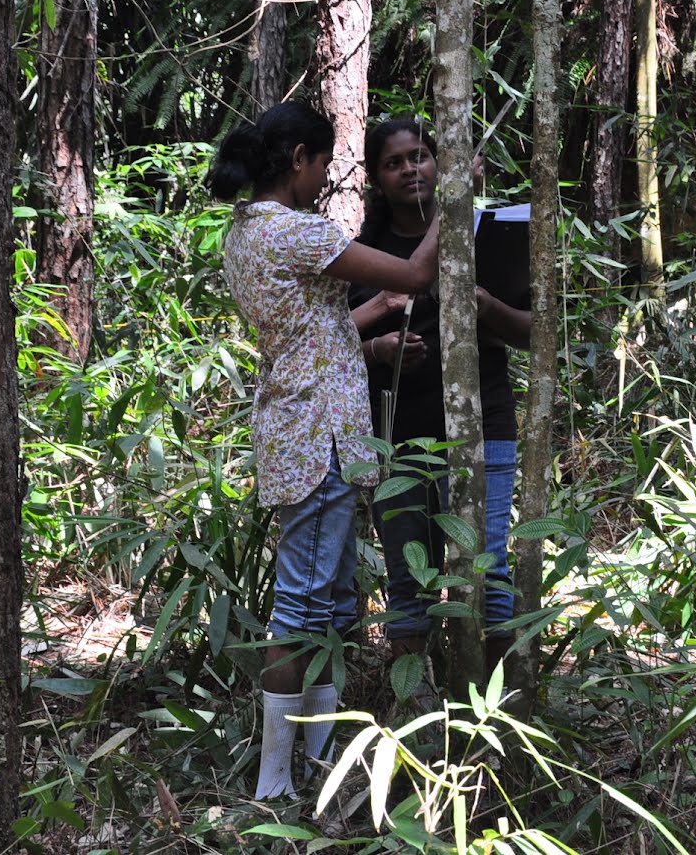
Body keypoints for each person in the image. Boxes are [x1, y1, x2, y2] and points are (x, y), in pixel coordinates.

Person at [206, 101, 440, 800]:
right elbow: (417, 274)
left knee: (334, 599)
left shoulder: (246, 232)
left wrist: (376, 317)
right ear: (300, 159)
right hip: (319, 439)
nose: (323, 178)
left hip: (300, 426)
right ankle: (274, 782)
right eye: (321, 164)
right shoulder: (298, 232)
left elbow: (320, 322)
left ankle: (318, 760)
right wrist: (454, 201)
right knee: (304, 607)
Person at [346, 117, 531, 682]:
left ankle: (500, 710)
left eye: (420, 156)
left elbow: (531, 331)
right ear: (377, 178)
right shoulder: (363, 251)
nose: (410, 170)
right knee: (408, 574)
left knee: (489, 564)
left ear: (440, 164)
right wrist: (380, 347)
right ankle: (415, 711)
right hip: (395, 431)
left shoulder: (493, 232)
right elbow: (330, 339)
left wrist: (485, 306)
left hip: (483, 423)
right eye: (394, 162)